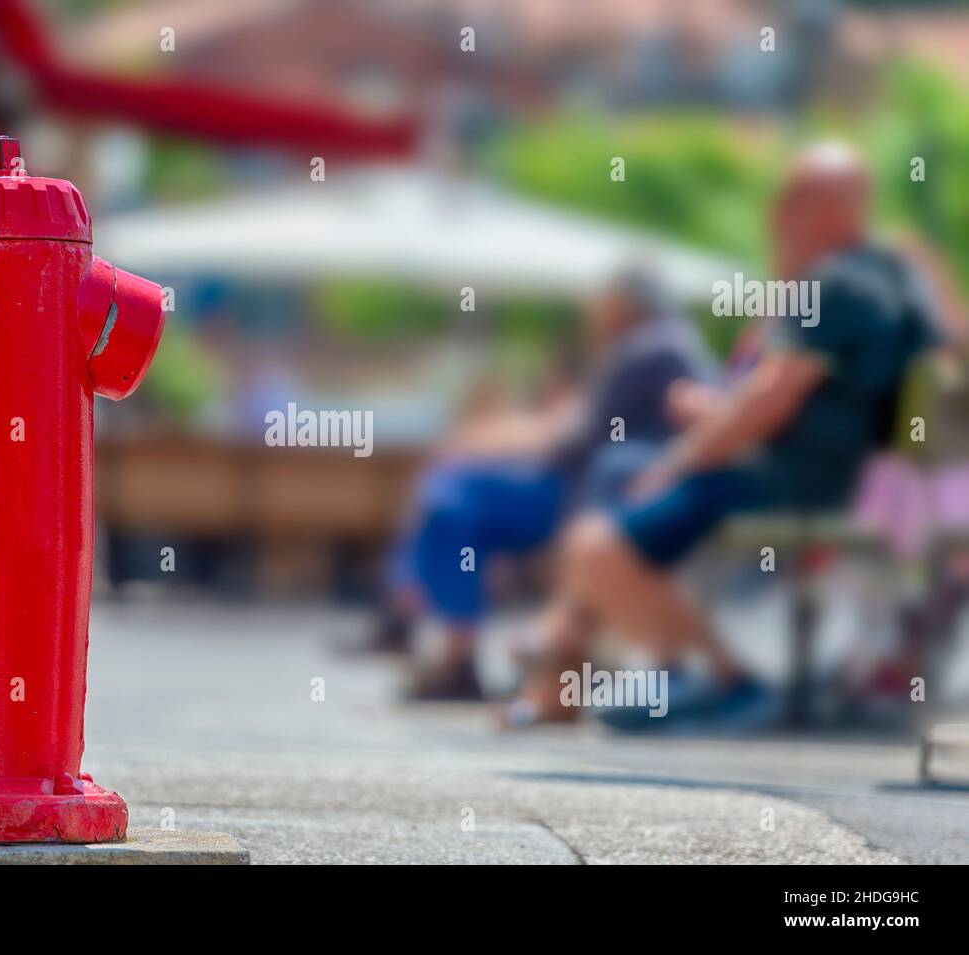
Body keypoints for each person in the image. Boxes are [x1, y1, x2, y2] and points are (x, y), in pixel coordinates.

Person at [521, 142, 940, 728]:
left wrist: (680, 461)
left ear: (823, 206)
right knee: (622, 473)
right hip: (841, 478)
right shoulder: (889, 280)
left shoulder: (834, 284)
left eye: (790, 198)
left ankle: (719, 680)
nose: (777, 214)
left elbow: (770, 401)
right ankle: (616, 664)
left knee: (596, 543)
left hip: (788, 480)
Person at [361, 269, 718, 702]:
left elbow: (575, 442)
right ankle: (441, 641)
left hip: (588, 495)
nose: (593, 319)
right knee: (451, 496)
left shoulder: (649, 348)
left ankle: (445, 644)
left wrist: (498, 446)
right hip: (603, 487)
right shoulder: (666, 345)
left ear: (622, 306)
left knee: (450, 497)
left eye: (599, 307)